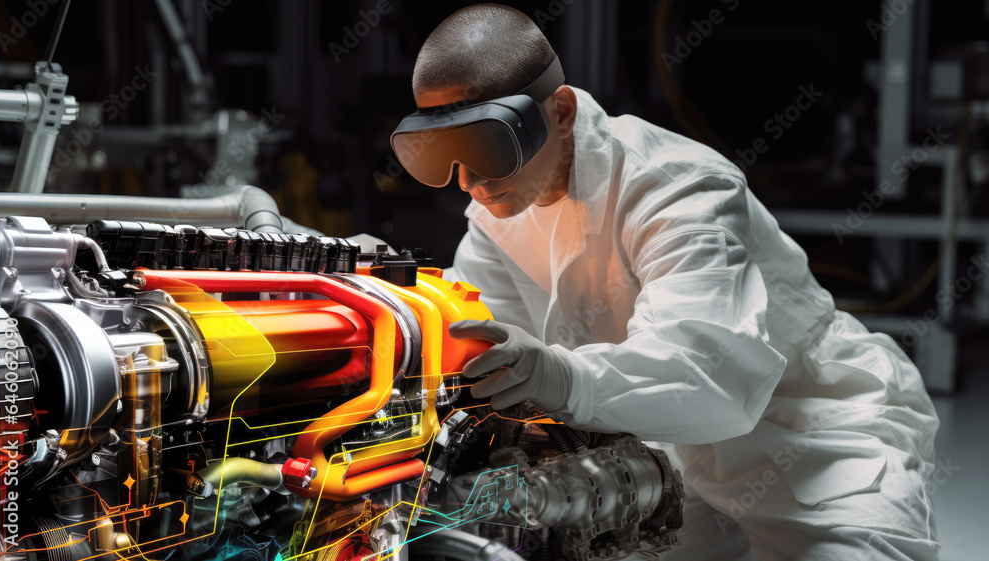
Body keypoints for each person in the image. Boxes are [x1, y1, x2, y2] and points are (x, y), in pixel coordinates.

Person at [391, 4, 940, 560]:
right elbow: (475, 333)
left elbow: (713, 373)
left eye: (488, 145)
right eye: (443, 155)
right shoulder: (497, 216)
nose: (469, 181)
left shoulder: (677, 188)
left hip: (811, 433)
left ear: (560, 112)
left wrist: (563, 376)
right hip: (663, 449)